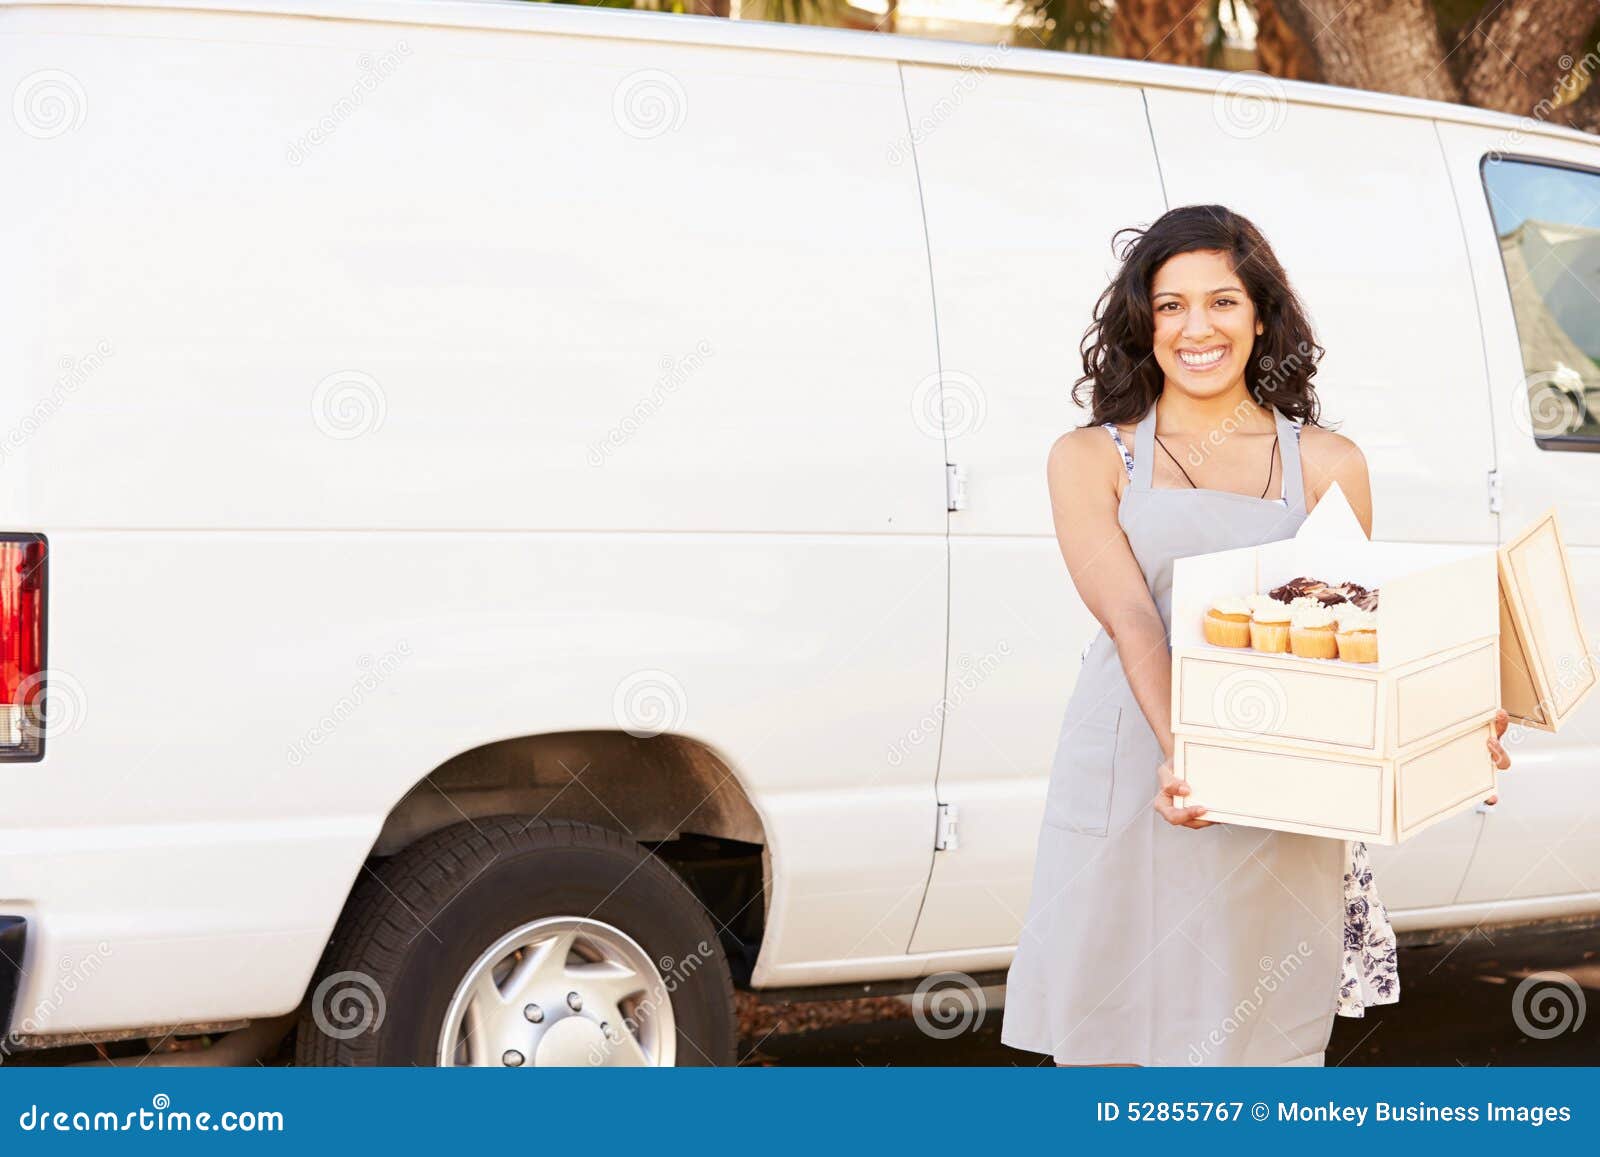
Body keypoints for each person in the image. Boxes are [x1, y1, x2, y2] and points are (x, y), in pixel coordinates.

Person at [998, 204, 1512, 1067]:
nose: (1196, 327)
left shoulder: (1328, 461)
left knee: (1259, 1046)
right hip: (1136, 762)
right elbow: (1132, 620)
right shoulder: (1091, 457)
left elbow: (1350, 631)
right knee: (1117, 1036)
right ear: (1144, 323)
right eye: (1170, 306)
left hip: (1284, 783)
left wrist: (1452, 727)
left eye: (1223, 301)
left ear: (1262, 314)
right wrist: (1188, 757)